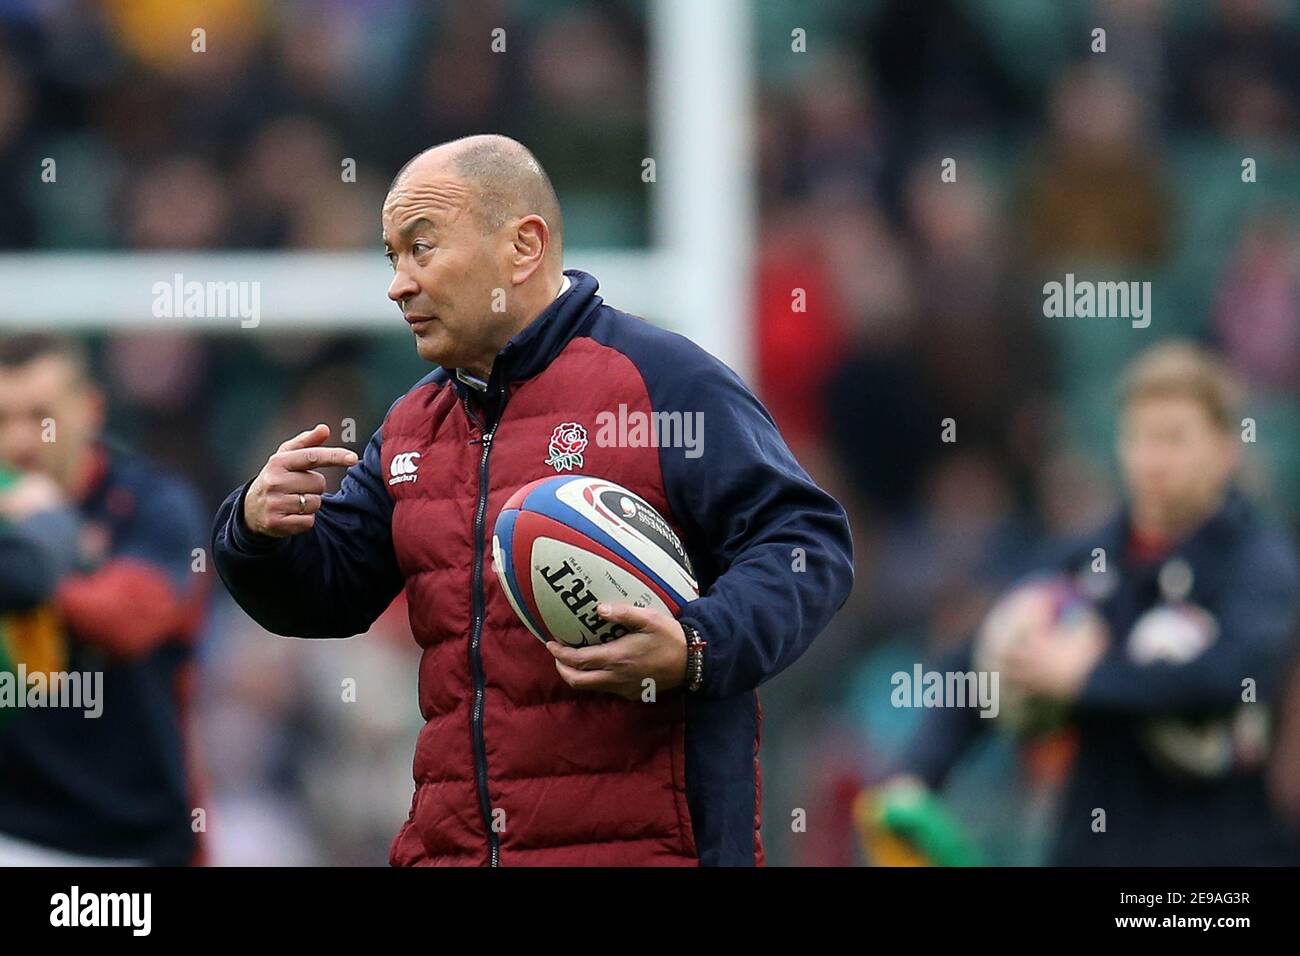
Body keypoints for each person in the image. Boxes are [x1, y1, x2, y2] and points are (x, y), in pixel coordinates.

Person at [212, 134, 855, 866]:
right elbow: (327, 597)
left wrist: (697, 645)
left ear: (523, 247)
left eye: (422, 249)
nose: (397, 284)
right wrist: (259, 532)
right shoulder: (411, 427)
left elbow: (808, 545)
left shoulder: (664, 384)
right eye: (393, 258)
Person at [884, 341, 1300, 865]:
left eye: (1174, 439)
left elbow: (1229, 674)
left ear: (1225, 449)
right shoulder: (1088, 561)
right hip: (1095, 846)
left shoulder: (1259, 564)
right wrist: (914, 777)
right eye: (1140, 438)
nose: (1154, 459)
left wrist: (1089, 676)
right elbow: (980, 660)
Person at [0, 335, 209, 866]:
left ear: (89, 410)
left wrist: (39, 545)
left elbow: (131, 621)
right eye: (3, 420)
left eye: (40, 415)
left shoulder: (153, 503)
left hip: (133, 841)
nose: (22, 440)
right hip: (16, 833)